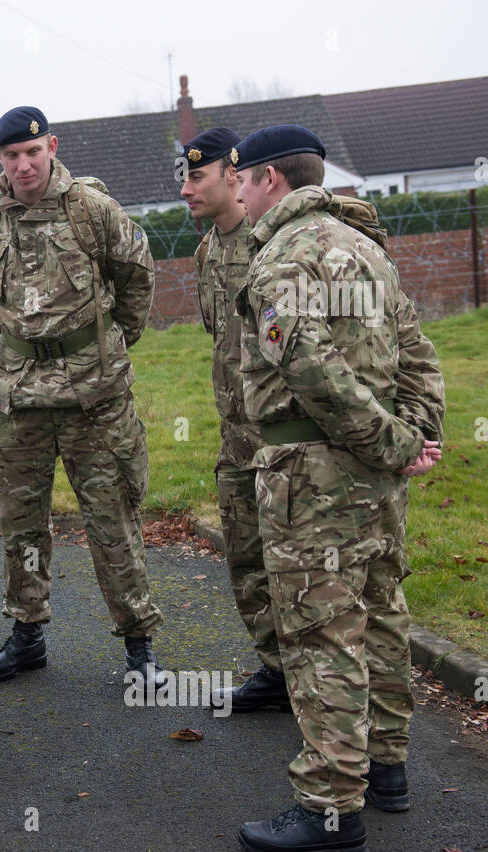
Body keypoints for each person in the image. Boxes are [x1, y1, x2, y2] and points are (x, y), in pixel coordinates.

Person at [229, 125, 445, 852]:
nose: (238, 192)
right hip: (376, 476)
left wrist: (389, 442)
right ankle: (386, 768)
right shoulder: (368, 250)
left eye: (243, 179)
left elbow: (307, 364)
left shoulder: (283, 255)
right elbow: (418, 354)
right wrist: (413, 436)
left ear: (270, 179)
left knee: (322, 632)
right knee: (380, 613)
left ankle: (330, 810)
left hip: (314, 472)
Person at [0, 106, 166, 687]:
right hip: (18, 402)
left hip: (94, 399)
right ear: (0, 160)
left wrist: (108, 344)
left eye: (32, 152)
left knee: (112, 522)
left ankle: (139, 643)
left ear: (51, 147)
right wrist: (17, 352)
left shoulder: (93, 210)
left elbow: (137, 276)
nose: (23, 165)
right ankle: (26, 636)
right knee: (21, 525)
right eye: (11, 156)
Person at [181, 127, 288, 713]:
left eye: (197, 176)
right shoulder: (207, 251)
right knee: (246, 560)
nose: (186, 189)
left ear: (233, 174)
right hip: (236, 438)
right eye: (184, 177)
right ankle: (278, 672)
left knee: (296, 566)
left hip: (283, 438)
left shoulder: (272, 244)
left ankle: (322, 686)